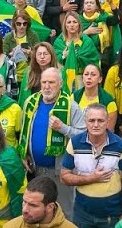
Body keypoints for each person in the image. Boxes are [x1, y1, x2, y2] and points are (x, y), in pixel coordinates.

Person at [18, 67, 86, 207]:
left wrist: (63, 128)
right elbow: (25, 132)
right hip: (35, 170)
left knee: (63, 209)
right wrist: (24, 154)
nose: (47, 86)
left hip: (60, 171)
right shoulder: (31, 103)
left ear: (60, 84)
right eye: (44, 82)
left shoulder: (71, 106)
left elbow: (84, 135)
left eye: (51, 82)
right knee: (38, 209)